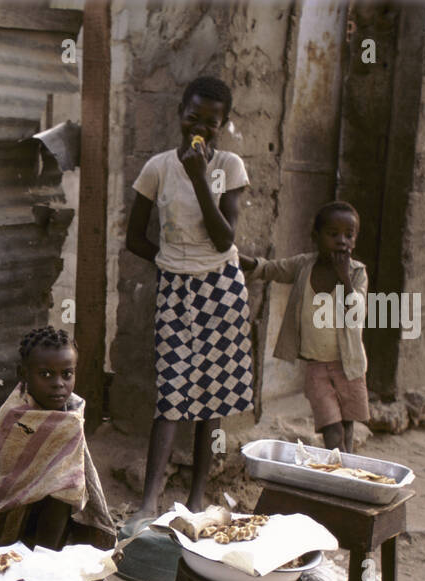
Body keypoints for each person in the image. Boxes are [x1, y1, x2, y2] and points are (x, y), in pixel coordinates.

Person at [125, 76, 253, 520]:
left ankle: (197, 499)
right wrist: (169, 263)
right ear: (180, 112)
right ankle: (148, 503)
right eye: (192, 116)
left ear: (224, 124)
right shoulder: (157, 168)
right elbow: (134, 239)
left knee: (211, 399)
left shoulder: (230, 167)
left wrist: (201, 179)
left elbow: (223, 240)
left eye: (211, 122)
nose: (199, 127)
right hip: (175, 290)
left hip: (222, 287)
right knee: (170, 396)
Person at [0, 327, 115, 549]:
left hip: (48, 523)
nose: (58, 383)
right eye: (45, 374)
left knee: (64, 486)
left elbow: (74, 482)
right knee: (62, 483)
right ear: (23, 374)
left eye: (67, 374)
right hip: (1, 520)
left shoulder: (72, 414)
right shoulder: (14, 416)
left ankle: (45, 560)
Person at [239, 201, 370, 453]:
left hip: (349, 365)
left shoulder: (356, 274)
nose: (341, 241)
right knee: (331, 428)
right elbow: (271, 269)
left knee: (347, 426)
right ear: (315, 237)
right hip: (316, 367)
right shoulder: (303, 266)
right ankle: (337, 474)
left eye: (348, 235)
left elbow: (356, 311)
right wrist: (239, 259)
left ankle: (345, 477)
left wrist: (343, 278)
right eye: (333, 235)